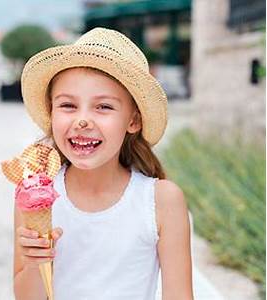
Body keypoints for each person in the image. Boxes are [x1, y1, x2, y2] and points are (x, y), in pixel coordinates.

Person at [13, 28, 194, 299]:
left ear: (133, 121)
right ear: (52, 113)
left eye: (104, 107)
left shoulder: (161, 201)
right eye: (68, 106)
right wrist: (32, 263)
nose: (82, 120)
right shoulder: (36, 194)